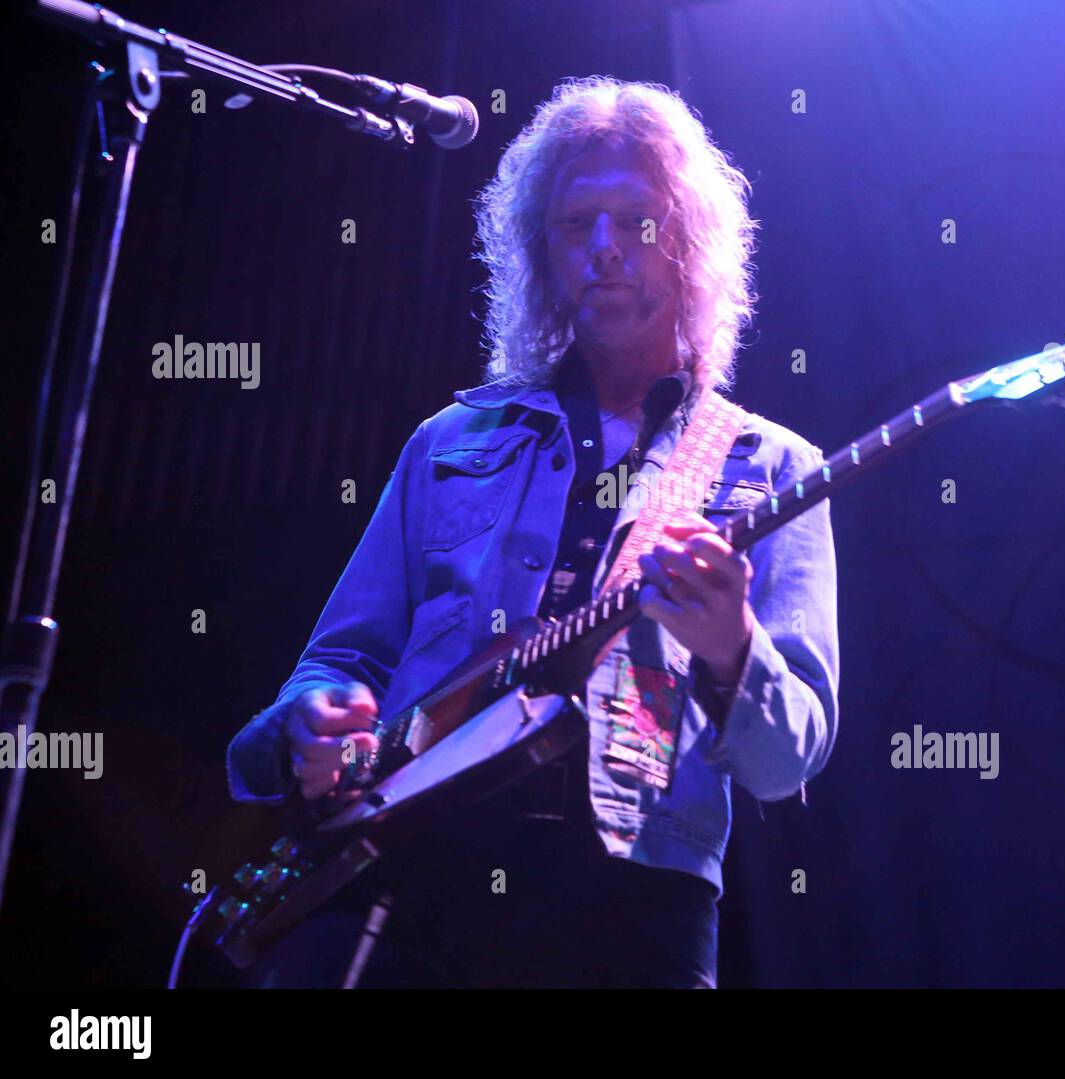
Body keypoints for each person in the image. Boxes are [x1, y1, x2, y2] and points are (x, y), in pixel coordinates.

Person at [225, 76, 839, 988]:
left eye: (636, 220)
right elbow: (338, 662)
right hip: (406, 876)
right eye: (573, 223)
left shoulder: (778, 468)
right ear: (539, 251)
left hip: (636, 906)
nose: (603, 249)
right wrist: (310, 722)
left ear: (690, 245)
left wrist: (729, 646)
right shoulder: (449, 442)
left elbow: (788, 758)